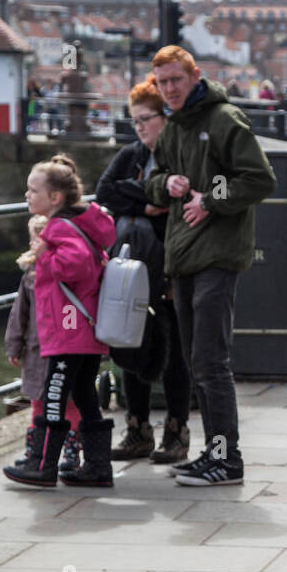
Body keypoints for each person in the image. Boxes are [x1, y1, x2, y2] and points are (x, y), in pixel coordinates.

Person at [145, 46, 277, 486]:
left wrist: (211, 200)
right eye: (162, 82)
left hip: (217, 256)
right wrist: (169, 183)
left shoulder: (223, 120)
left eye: (175, 80)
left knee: (210, 361)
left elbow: (259, 178)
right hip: (183, 255)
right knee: (194, 361)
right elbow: (153, 180)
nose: (169, 89)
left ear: (194, 75)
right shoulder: (172, 128)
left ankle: (227, 460)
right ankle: (211, 452)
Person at [3, 154, 116, 488]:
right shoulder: (76, 225)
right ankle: (97, 466)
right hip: (83, 332)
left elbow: (76, 264)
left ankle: (42, 465)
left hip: (69, 332)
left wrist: (44, 253)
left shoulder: (59, 227)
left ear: (55, 198)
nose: (27, 195)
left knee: (54, 396)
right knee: (83, 395)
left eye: (33, 189)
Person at [94, 76, 192, 465]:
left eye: (145, 119)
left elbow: (180, 200)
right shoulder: (131, 154)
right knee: (130, 342)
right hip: (132, 273)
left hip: (171, 266)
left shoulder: (179, 156)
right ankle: (136, 430)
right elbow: (104, 191)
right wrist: (147, 204)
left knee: (176, 353)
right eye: (134, 120)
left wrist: (136, 198)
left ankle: (176, 432)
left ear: (165, 118)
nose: (139, 127)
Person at [5, 214, 82, 475]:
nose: (35, 244)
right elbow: (20, 314)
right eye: (32, 240)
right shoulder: (30, 274)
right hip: (37, 349)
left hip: (61, 349)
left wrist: (71, 339)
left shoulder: (66, 272)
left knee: (68, 402)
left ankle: (70, 451)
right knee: (37, 401)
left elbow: (72, 309)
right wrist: (14, 345)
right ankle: (35, 452)